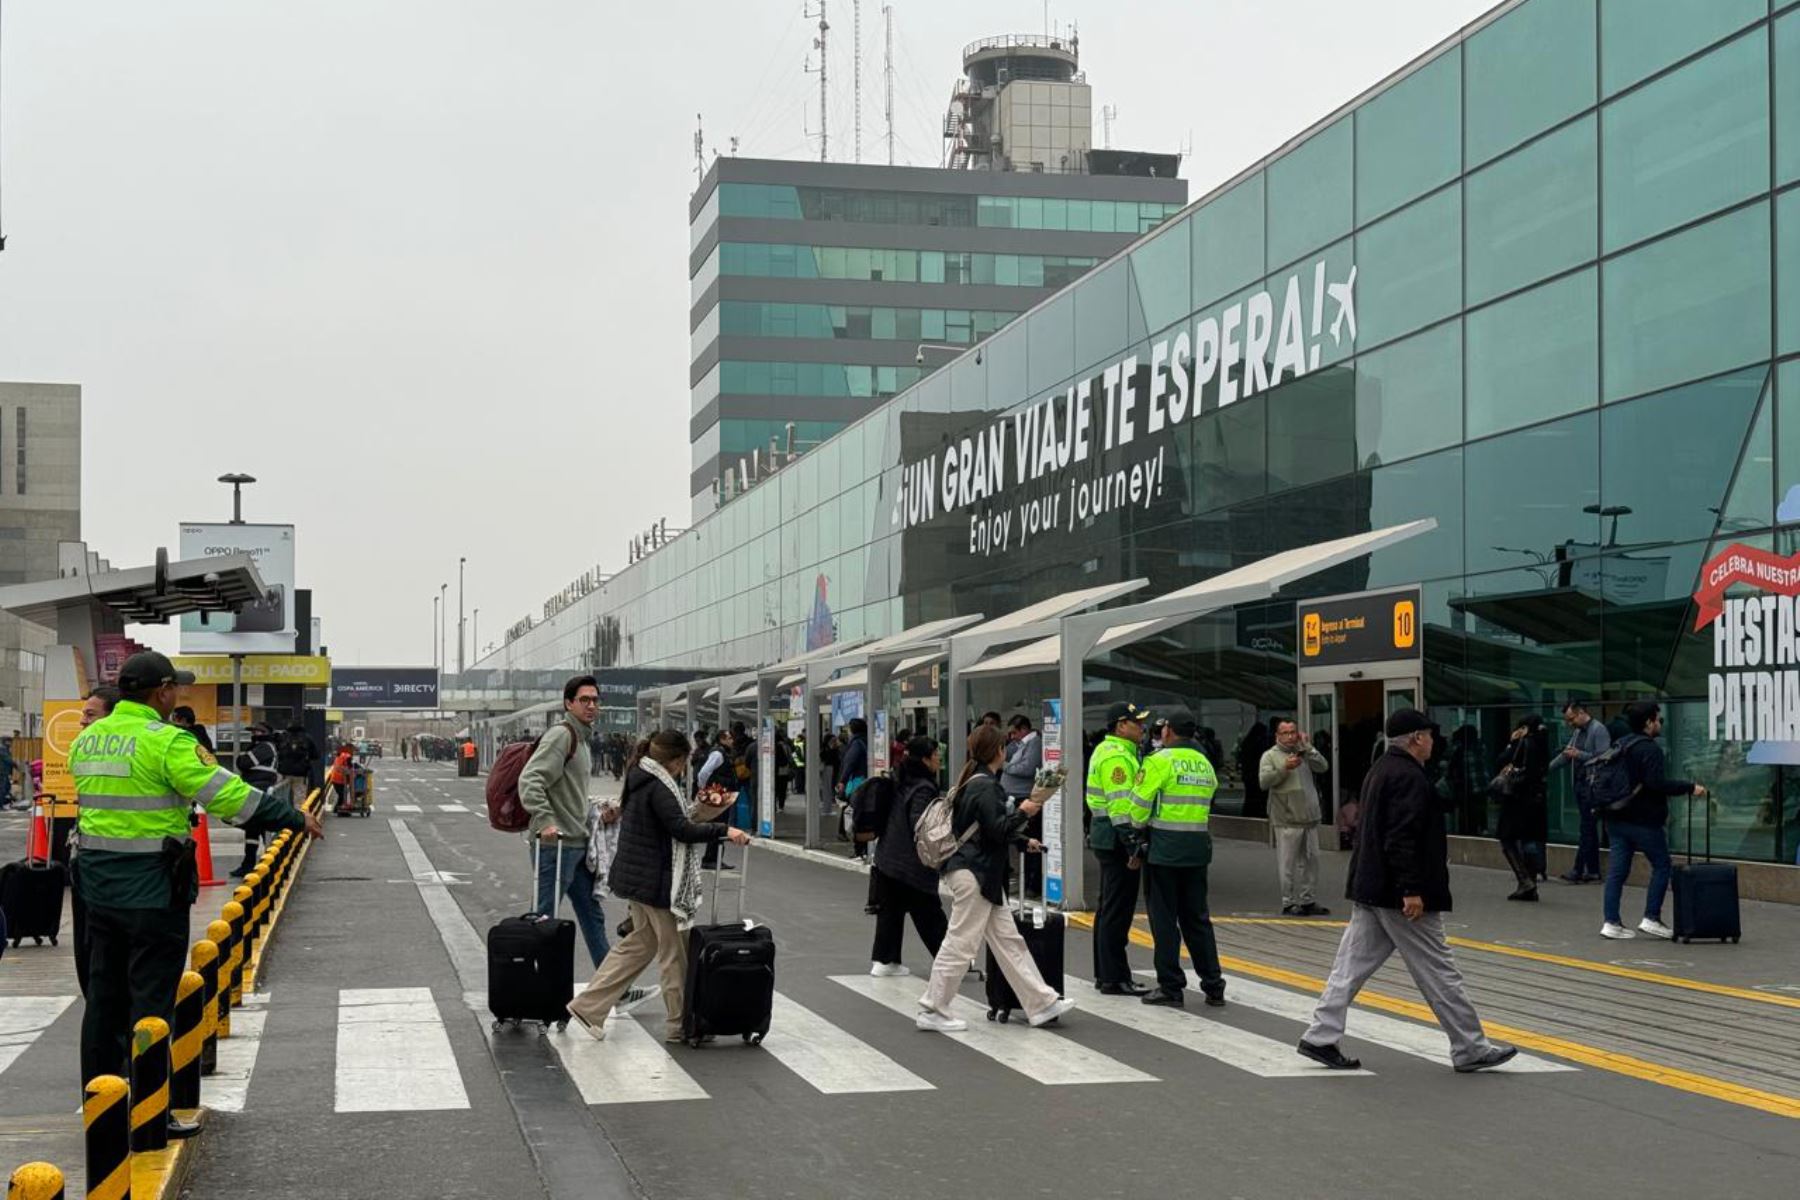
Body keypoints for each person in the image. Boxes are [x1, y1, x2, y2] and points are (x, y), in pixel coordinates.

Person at [70, 652, 320, 1116]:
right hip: (152, 892)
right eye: (175, 689)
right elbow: (226, 794)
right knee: (151, 1001)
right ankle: (149, 1112)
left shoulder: (89, 739)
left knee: (103, 998)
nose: (177, 697)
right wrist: (292, 816)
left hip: (97, 890)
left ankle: (98, 1104)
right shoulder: (168, 741)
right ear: (162, 692)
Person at [1297, 708, 1517, 1073]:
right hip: (1399, 894)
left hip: (1372, 887)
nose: (1434, 741)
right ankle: (1470, 1047)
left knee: (1349, 968)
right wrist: (1412, 889)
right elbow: (1402, 837)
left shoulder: (1382, 769)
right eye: (1430, 735)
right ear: (1417, 738)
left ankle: (1321, 1036)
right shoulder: (1408, 777)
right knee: (1439, 969)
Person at [566, 731, 747, 1042]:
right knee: (674, 955)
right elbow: (680, 829)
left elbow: (669, 823)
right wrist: (723, 828)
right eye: (684, 762)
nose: (683, 768)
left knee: (638, 946)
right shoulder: (659, 785)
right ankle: (680, 1025)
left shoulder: (640, 775)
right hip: (658, 882)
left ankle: (588, 1006)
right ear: (676, 760)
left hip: (640, 879)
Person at [915, 725, 1075, 1033]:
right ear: (999, 750)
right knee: (961, 943)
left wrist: (1020, 840)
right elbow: (997, 828)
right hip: (976, 874)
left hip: (981, 874)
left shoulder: (974, 782)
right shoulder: (984, 786)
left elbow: (986, 829)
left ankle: (1041, 1003)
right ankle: (933, 1009)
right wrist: (1028, 809)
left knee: (1009, 942)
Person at [1123, 707, 1226, 1009]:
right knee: (1198, 919)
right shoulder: (1204, 763)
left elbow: (1138, 805)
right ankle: (1213, 984)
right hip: (1197, 849)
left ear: (1167, 731)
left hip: (1165, 851)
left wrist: (1137, 829)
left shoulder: (1159, 761)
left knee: (1165, 919)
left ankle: (1171, 986)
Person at [518, 675, 616, 971]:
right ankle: (530, 988)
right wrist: (546, 822)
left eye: (595, 700)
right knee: (543, 920)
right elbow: (530, 780)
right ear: (568, 703)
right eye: (584, 700)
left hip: (577, 844)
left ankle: (614, 989)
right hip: (555, 845)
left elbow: (568, 792)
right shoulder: (562, 735)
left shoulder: (582, 740)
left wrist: (598, 810)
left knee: (592, 915)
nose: (591, 705)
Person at [1601, 701, 1706, 940]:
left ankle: (1611, 922)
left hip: (1616, 817)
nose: (1660, 724)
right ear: (1649, 722)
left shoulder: (1621, 744)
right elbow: (1656, 784)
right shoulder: (1649, 749)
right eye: (1659, 719)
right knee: (1662, 865)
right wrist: (1689, 787)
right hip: (1643, 820)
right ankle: (1651, 917)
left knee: (1617, 872)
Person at [868, 736, 950, 976]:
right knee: (929, 911)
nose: (939, 759)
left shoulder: (899, 778)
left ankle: (885, 961)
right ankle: (951, 961)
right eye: (936, 754)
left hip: (888, 856)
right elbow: (920, 824)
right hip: (909, 862)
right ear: (925, 759)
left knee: (890, 911)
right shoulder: (923, 787)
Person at [1087, 702, 1151, 995]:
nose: (1142, 727)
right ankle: (1115, 977)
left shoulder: (1111, 750)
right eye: (1136, 722)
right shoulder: (1118, 758)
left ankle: (1107, 974)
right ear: (1120, 725)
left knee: (1108, 908)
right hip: (1116, 840)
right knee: (1117, 911)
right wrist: (1134, 848)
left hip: (1105, 837)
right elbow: (1121, 807)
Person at [69, 684, 121, 998]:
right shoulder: (84, 748)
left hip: (113, 870)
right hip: (87, 862)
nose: (82, 721)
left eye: (90, 714)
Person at [1260, 717, 1331, 916]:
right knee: (1288, 863)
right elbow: (1264, 782)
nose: (1290, 736)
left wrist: (1309, 748)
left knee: (1312, 860)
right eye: (1285, 733)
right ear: (1277, 736)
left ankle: (1308, 900)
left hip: (1309, 816)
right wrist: (1284, 768)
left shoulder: (1304, 753)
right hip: (1286, 818)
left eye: (1293, 732)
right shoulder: (1270, 756)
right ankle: (1288, 902)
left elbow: (1323, 767)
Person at [1492, 715, 1550, 902]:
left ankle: (1524, 880)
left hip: (1517, 798)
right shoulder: (1543, 744)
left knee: (1506, 837)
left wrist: (1511, 743)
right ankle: (1530, 885)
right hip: (1537, 799)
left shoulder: (1522, 743)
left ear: (1524, 728)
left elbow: (1501, 760)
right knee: (1529, 840)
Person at [1553, 700, 1610, 883]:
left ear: (1580, 713)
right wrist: (1547, 768)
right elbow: (1566, 755)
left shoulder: (1598, 730)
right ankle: (1591, 870)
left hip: (1592, 787)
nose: (1570, 724)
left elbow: (1603, 757)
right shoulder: (1578, 732)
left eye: (1571, 719)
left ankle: (1578, 870)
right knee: (1589, 828)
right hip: (1580, 784)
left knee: (1587, 827)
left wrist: (1579, 755)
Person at [230, 722, 283, 878]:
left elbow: (243, 763)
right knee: (253, 827)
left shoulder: (264, 747)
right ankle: (251, 862)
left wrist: (242, 759)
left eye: (258, 732)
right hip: (255, 790)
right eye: (253, 732)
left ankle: (259, 862)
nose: (254, 735)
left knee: (258, 827)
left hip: (259, 790)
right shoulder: (261, 747)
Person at [275, 721, 318, 809]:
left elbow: (277, 753)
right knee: (299, 800)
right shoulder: (307, 738)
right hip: (300, 774)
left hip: (284, 773)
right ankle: (297, 818)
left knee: (281, 796)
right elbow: (315, 755)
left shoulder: (283, 737)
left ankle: (282, 817)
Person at [328, 743, 355, 813]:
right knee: (342, 794)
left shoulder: (341, 754)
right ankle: (338, 809)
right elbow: (350, 766)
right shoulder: (346, 755)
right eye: (352, 750)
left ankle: (337, 808)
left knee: (342, 794)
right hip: (338, 780)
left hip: (336, 779)